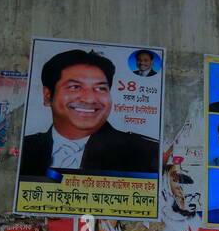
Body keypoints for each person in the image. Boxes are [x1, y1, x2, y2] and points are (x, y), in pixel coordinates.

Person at [20, 48, 158, 178]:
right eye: (75, 87)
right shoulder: (24, 149)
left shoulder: (144, 153)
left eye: (100, 88)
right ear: (47, 95)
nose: (90, 98)